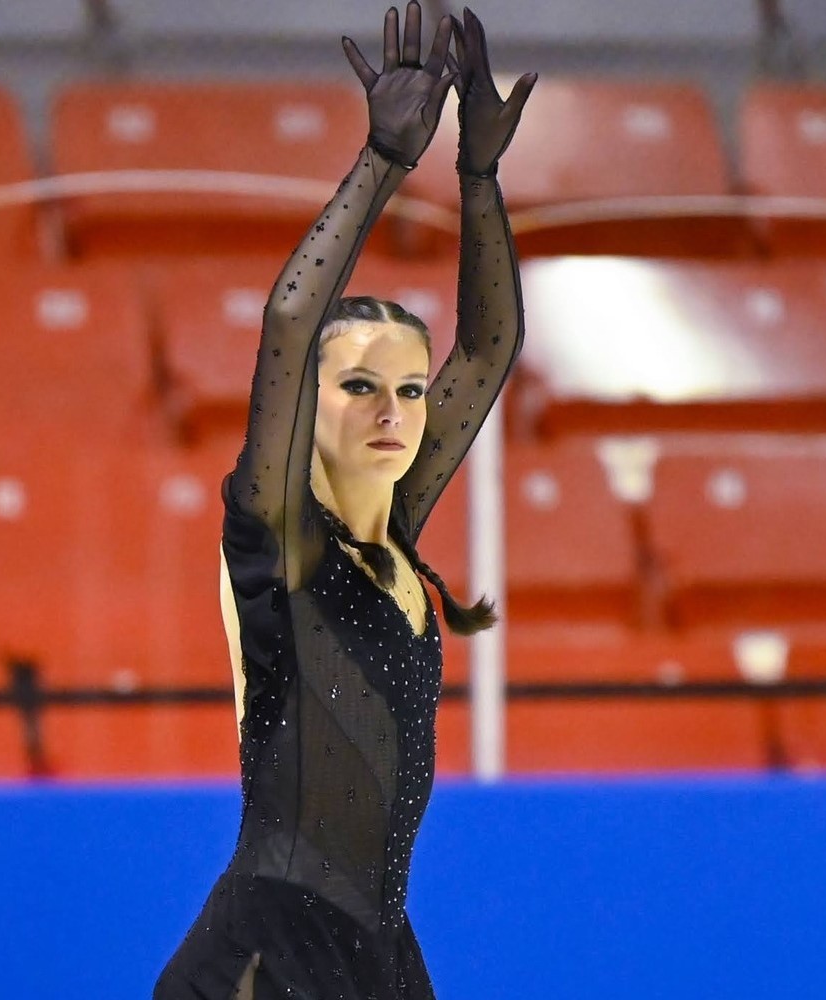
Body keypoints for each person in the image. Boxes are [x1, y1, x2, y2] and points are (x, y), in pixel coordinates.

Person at [154, 5, 535, 998]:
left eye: (409, 389)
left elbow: (488, 351)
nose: (394, 410)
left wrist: (479, 176)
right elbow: (292, 318)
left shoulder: (397, 540)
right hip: (267, 949)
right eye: (358, 385)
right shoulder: (273, 530)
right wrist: (382, 159)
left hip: (376, 951)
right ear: (309, 406)